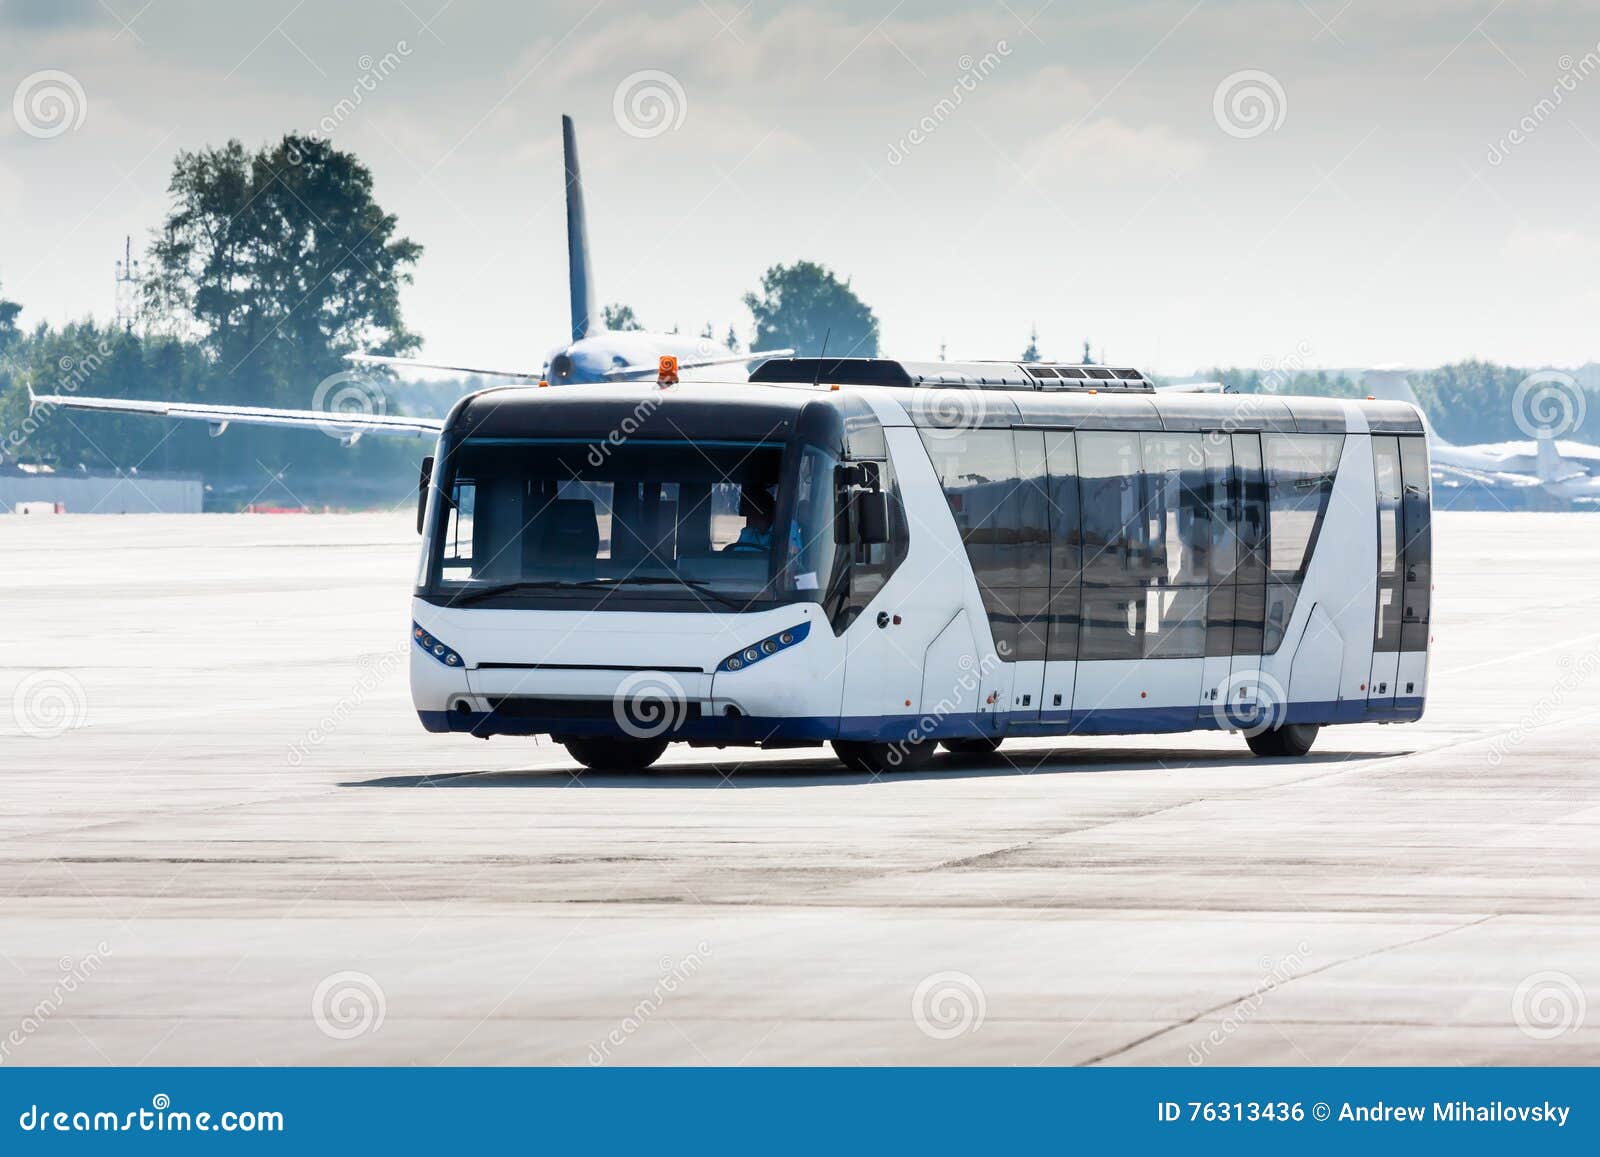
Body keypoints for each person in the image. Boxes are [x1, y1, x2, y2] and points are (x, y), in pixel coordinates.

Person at [724, 484, 776, 552]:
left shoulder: (782, 533)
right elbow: (736, 555)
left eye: (754, 510)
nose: (749, 515)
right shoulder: (747, 533)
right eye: (749, 511)